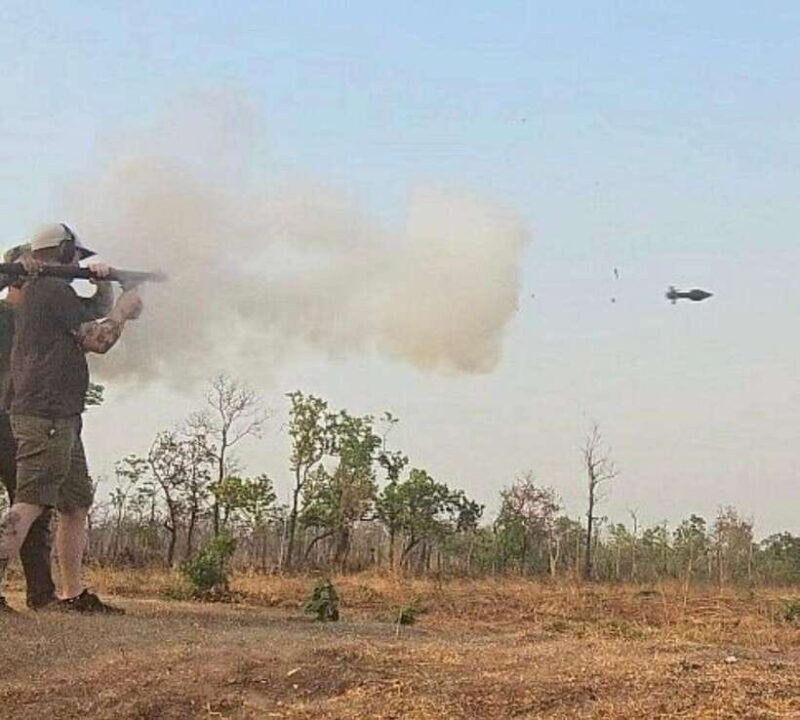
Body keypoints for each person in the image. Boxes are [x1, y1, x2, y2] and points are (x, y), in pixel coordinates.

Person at [0, 223, 142, 613]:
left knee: (74, 503)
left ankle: (72, 593)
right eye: (74, 256)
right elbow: (98, 340)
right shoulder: (48, 289)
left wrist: (104, 284)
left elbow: (87, 312)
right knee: (29, 503)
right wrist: (123, 311)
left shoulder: (48, 290)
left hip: (61, 411)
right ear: (63, 251)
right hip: (45, 413)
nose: (78, 262)